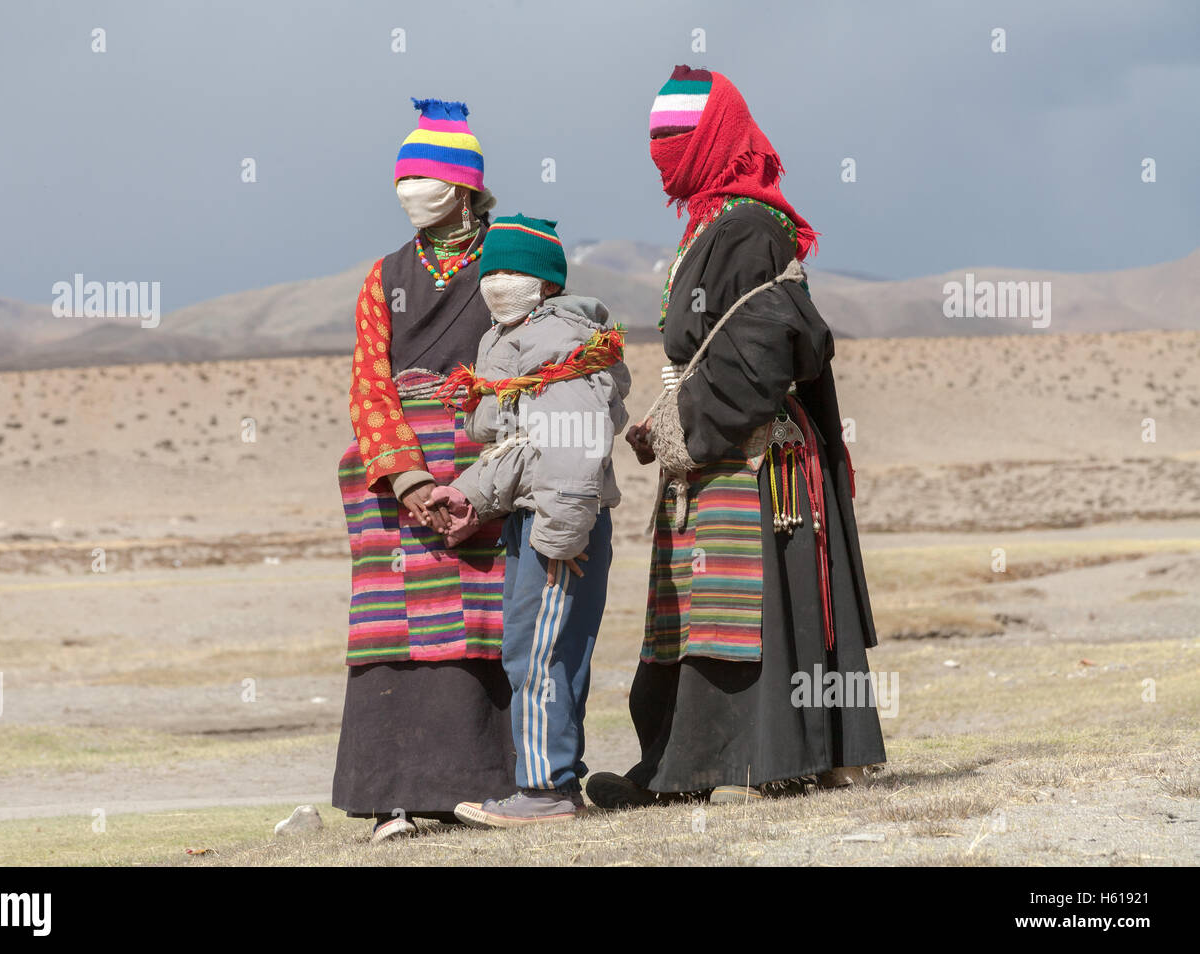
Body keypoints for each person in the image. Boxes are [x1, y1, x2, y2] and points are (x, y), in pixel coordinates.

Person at [586, 66, 886, 810]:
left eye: (677, 136)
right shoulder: (714, 224)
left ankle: (755, 762)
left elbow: (763, 345)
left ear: (717, 135)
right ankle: (684, 764)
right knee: (699, 613)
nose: (664, 150)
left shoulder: (751, 225)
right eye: (656, 136)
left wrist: (684, 427)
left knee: (746, 612)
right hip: (716, 445)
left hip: (755, 453)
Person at [332, 98, 516, 842]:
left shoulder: (507, 263)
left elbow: (533, 361)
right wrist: (407, 478)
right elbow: (368, 383)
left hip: (484, 464)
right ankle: (392, 800)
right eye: (403, 178)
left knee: (482, 626)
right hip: (395, 475)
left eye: (425, 178)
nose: (411, 190)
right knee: (392, 634)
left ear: (465, 186)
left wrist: (480, 480)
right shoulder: (383, 276)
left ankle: (480, 788)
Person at [426, 214, 631, 827]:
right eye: (490, 270)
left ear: (545, 283)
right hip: (538, 521)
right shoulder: (523, 349)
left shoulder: (559, 350)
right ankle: (556, 782)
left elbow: (572, 448)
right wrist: (469, 494)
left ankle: (544, 789)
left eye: (512, 270)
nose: (497, 282)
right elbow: (520, 450)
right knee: (547, 650)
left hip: (557, 528)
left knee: (538, 653)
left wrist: (563, 535)